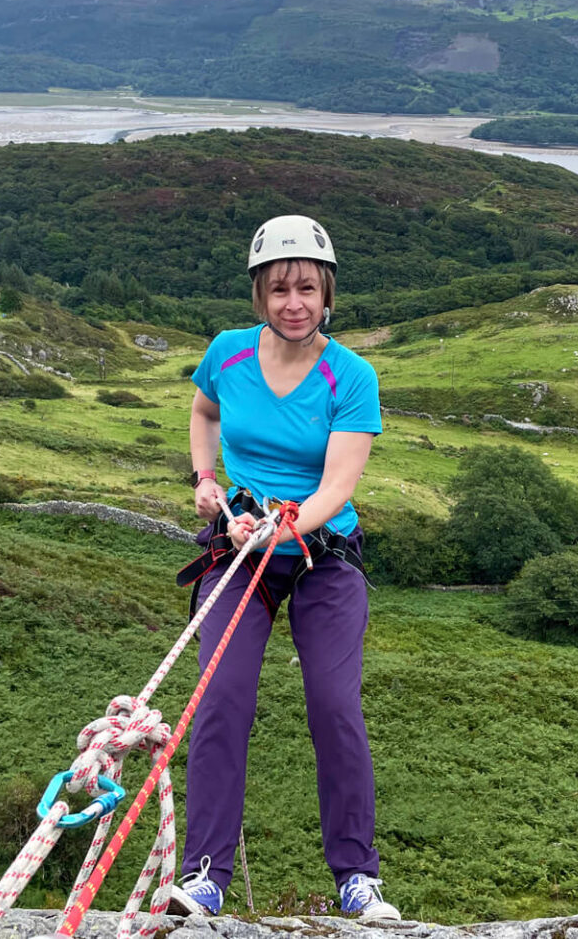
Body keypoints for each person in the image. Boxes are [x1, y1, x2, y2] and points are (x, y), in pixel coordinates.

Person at [168, 214, 398, 922]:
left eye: (305, 287)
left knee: (334, 707)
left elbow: (337, 485)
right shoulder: (228, 354)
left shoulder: (350, 376)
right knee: (220, 700)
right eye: (277, 289)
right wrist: (207, 482)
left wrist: (286, 523)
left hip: (321, 558)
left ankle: (358, 877)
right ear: (259, 296)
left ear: (326, 291)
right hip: (239, 552)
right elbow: (204, 413)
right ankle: (204, 876)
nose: (292, 302)